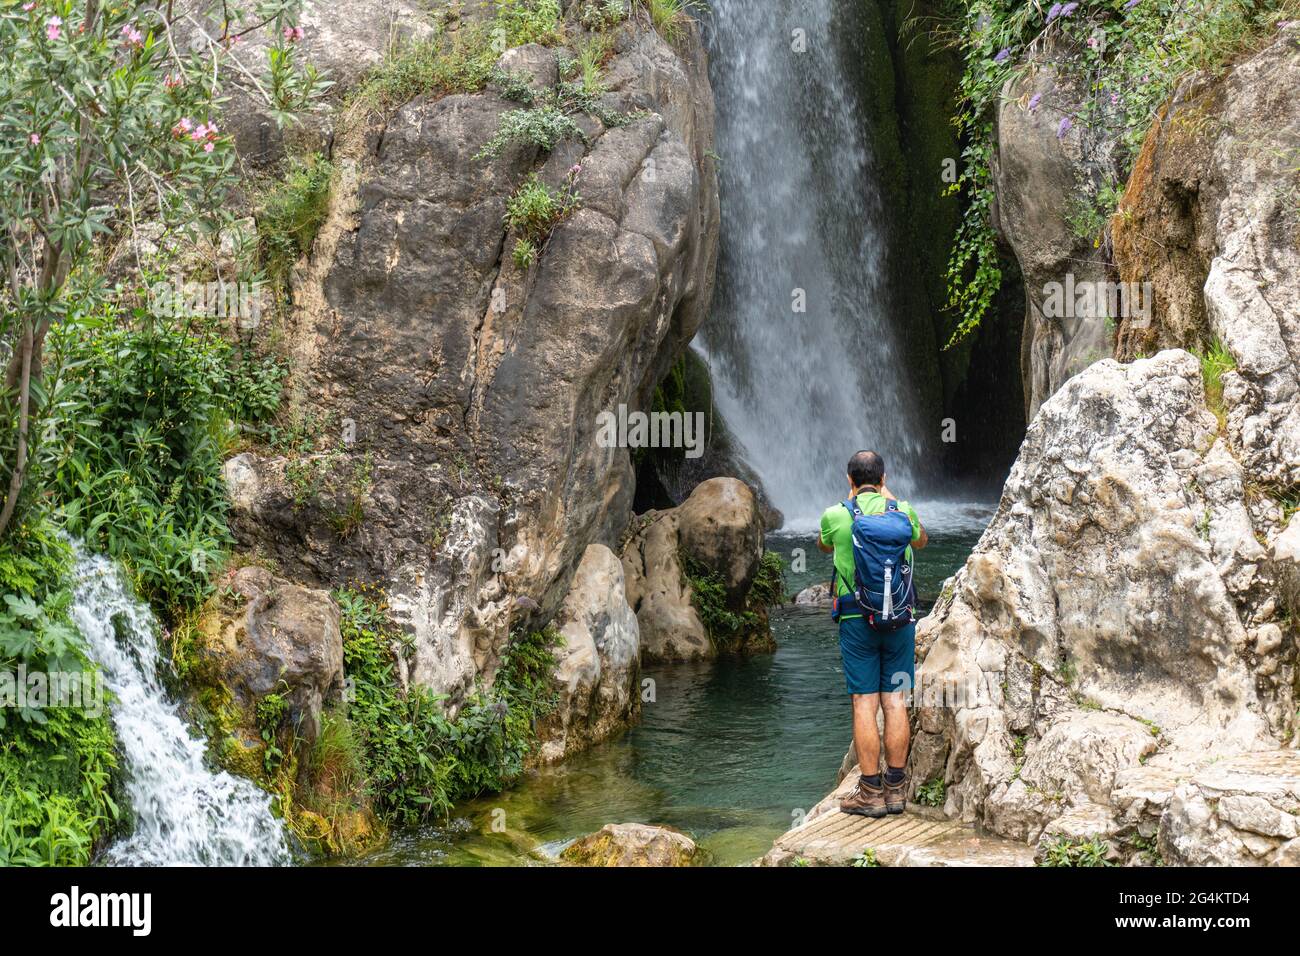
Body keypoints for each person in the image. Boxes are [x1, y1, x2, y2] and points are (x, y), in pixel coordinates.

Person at [818, 450, 927, 816]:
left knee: (865, 702)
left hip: (856, 621)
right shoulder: (903, 512)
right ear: (884, 478)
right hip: (900, 618)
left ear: (850, 480)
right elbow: (921, 540)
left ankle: (870, 792)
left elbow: (824, 544)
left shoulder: (836, 515)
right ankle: (896, 789)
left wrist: (851, 504)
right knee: (894, 700)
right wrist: (892, 500)